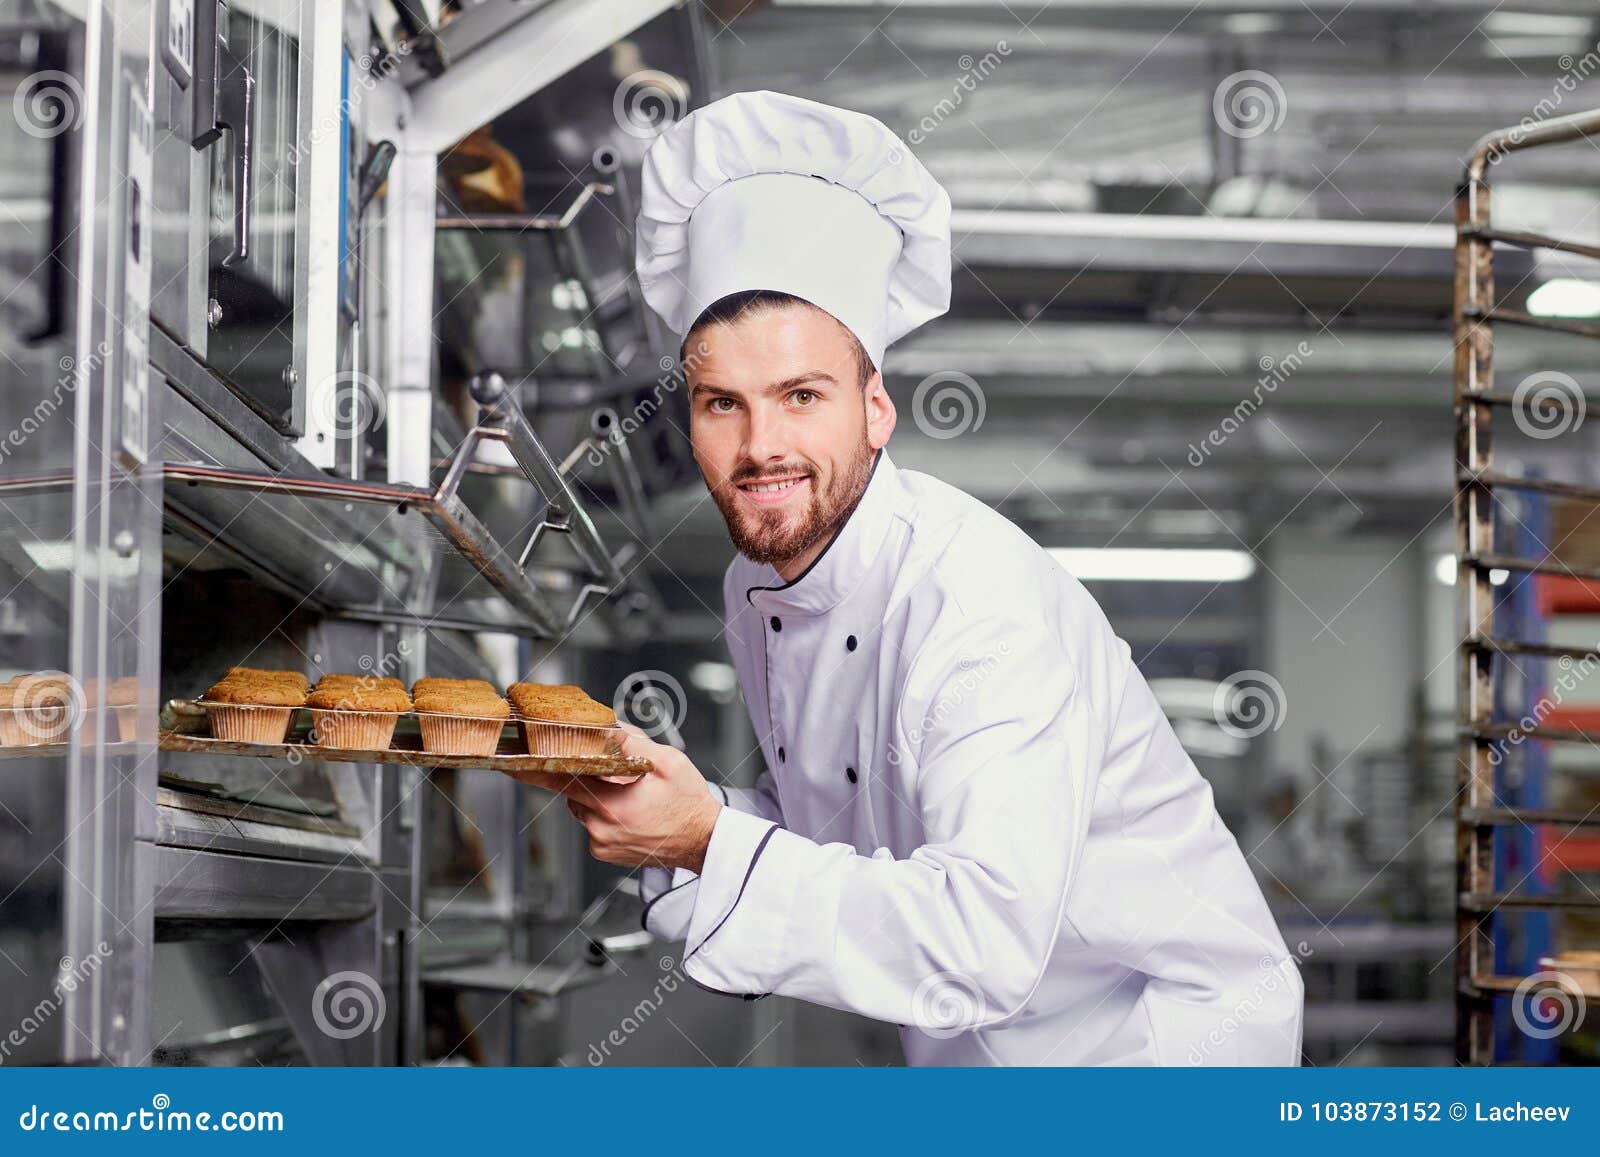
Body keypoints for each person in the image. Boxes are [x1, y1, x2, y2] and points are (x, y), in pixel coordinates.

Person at [518, 91, 1303, 1065]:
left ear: (875, 409)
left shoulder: (978, 611)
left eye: (802, 395)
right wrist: (683, 802)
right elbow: (853, 827)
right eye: (723, 402)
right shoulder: (759, 581)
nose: (762, 446)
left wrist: (705, 842)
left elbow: (982, 937)